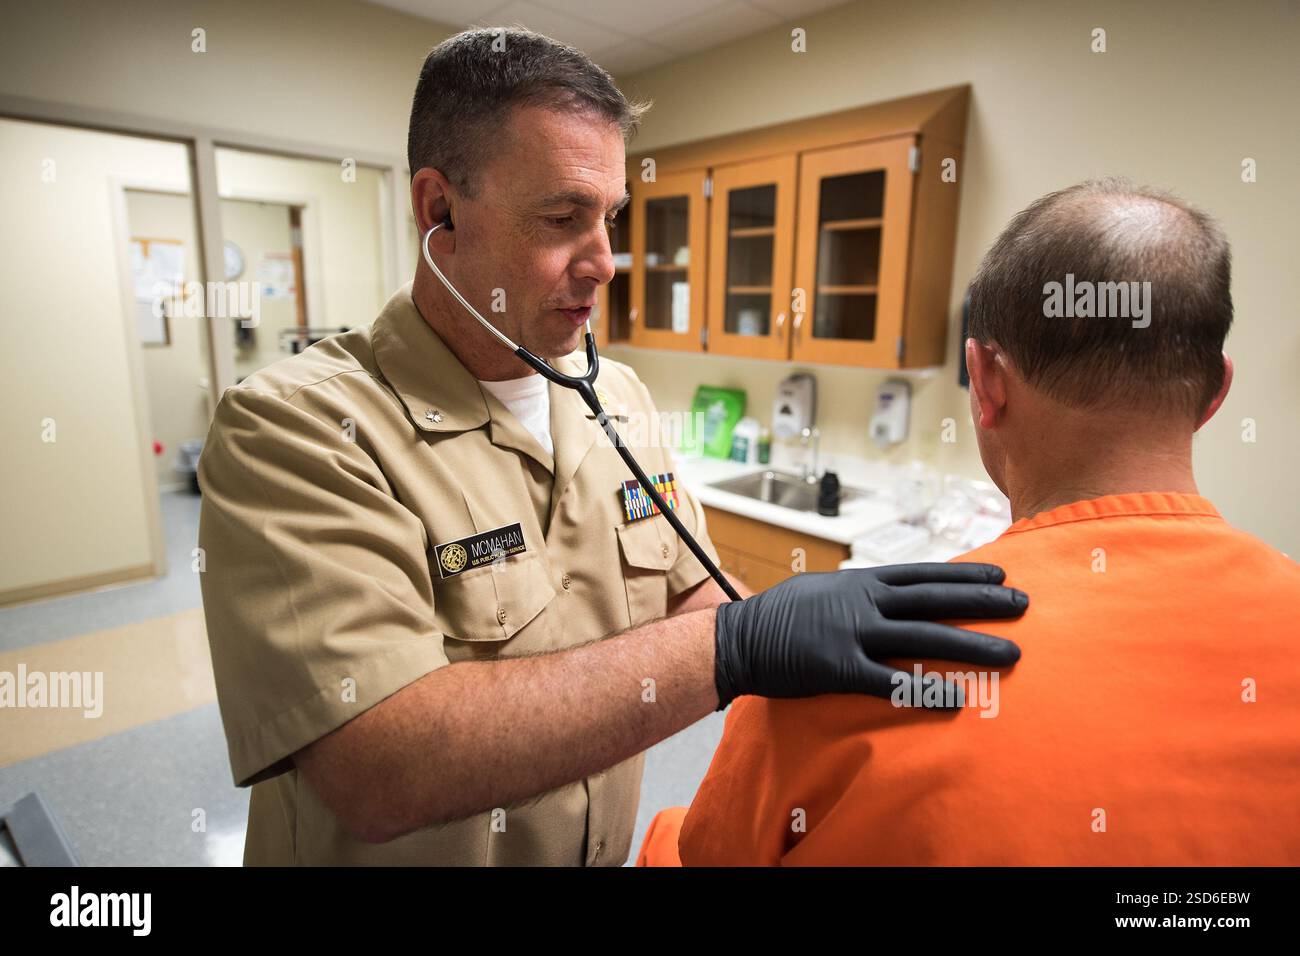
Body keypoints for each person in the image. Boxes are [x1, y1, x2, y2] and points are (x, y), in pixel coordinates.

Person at [196, 26, 1027, 866]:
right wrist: (736, 647)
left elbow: (690, 593)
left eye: (610, 218)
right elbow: (381, 764)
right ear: (438, 209)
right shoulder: (296, 429)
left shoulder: (616, 398)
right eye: (562, 218)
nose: (605, 262)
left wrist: (847, 656)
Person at [641, 178, 1300, 866]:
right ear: (1217, 391)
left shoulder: (846, 671)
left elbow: (705, 853)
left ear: (983, 382)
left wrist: (658, 834)